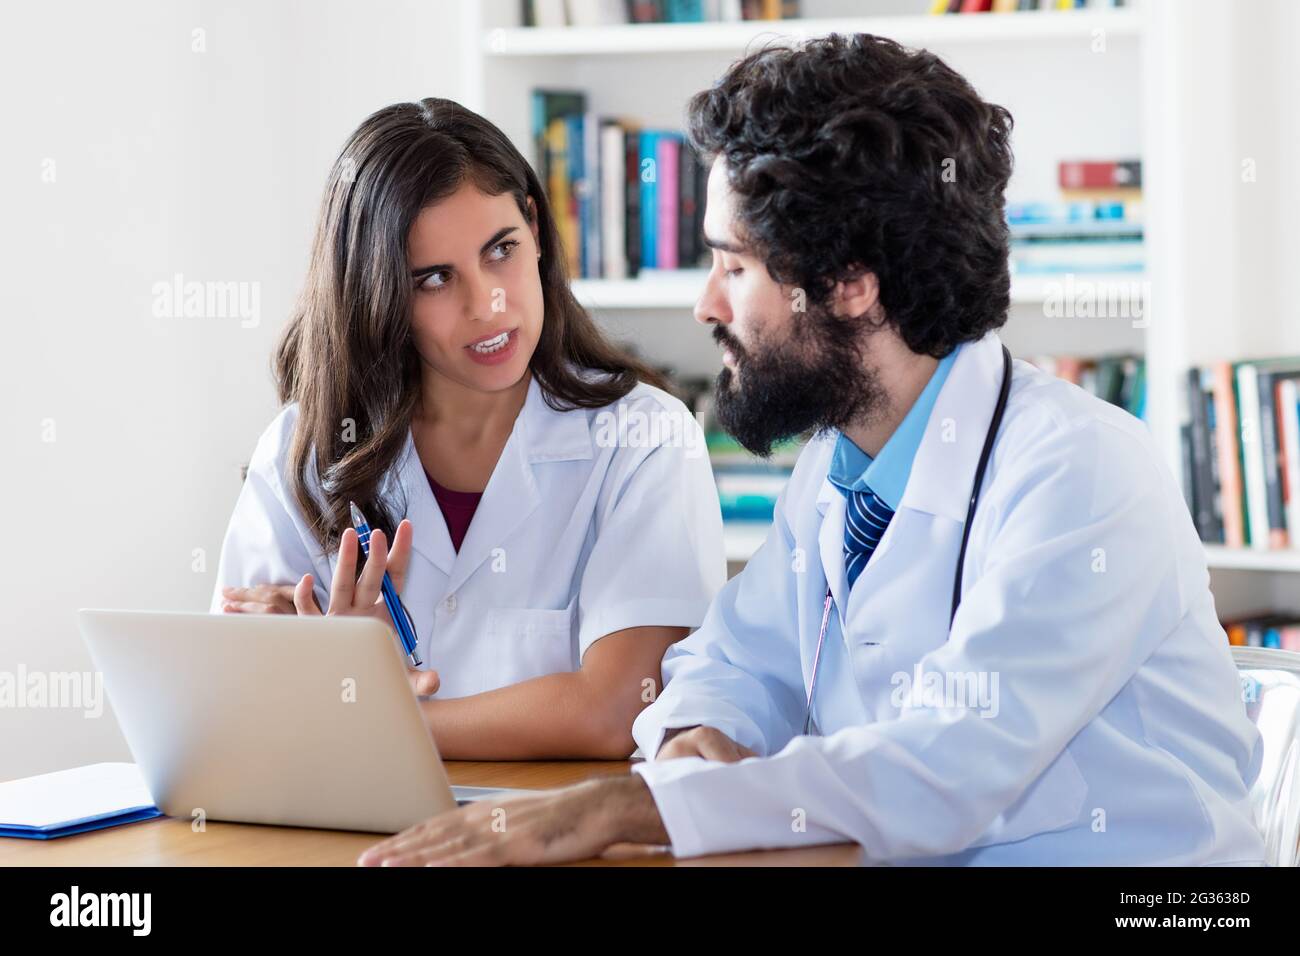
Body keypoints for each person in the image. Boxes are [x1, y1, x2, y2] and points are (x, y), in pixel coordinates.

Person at [357, 34, 1265, 866]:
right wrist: (687, 745)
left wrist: (628, 809)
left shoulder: (1082, 469)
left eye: (735, 266)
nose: (706, 306)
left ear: (851, 286)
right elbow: (731, 662)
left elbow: (946, 762)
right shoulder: (842, 463)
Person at [210, 98, 726, 760]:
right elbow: (232, 702)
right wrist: (327, 682)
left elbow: (622, 705)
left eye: (501, 250)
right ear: (379, 293)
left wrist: (375, 712)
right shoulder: (301, 451)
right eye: (433, 278)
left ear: (535, 230)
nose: (487, 305)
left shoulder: (646, 440)